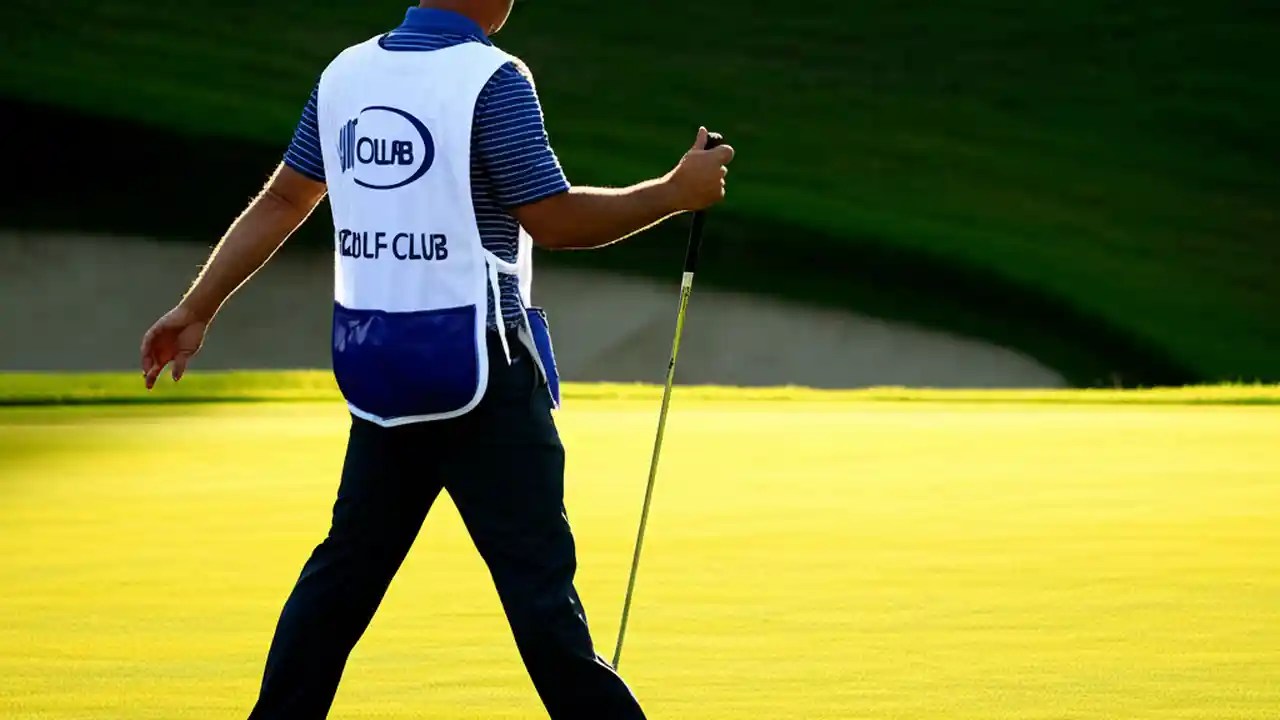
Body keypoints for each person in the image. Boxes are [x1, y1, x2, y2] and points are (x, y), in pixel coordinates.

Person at [138, 1, 734, 718]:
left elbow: (285, 199)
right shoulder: (493, 77)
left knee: (342, 579)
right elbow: (553, 219)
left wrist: (197, 306)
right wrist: (673, 193)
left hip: (381, 369)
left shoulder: (347, 73)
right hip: (483, 379)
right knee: (542, 597)